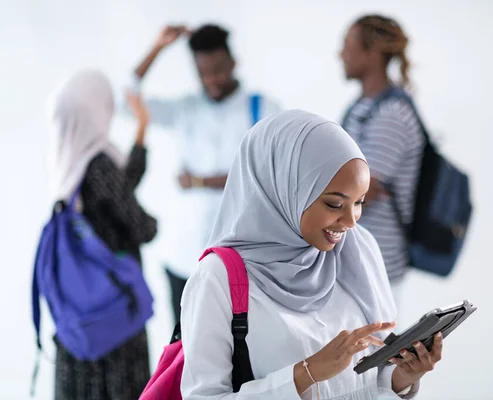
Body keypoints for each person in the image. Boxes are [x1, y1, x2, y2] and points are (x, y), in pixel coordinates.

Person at [180, 110, 443, 399]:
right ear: (284, 189)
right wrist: (307, 372)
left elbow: (372, 373)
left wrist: (403, 376)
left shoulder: (358, 251)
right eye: (334, 204)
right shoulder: (217, 278)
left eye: (359, 202)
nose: (351, 221)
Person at [124, 24, 281, 323]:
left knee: (240, 348)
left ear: (233, 62)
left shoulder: (263, 108)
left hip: (242, 259)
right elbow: (125, 101)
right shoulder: (185, 108)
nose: (213, 80)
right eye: (204, 73)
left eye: (219, 70)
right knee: (183, 352)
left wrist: (198, 181)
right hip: (183, 257)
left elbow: (271, 175)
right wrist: (158, 47)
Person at [46, 69, 157, 399]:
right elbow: (142, 227)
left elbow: (117, 191)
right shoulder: (100, 165)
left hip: (82, 314)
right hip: (114, 310)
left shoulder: (64, 160)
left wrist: (141, 131)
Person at [339, 15, 425, 293]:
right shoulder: (363, 106)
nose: (341, 53)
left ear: (372, 51)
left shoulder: (391, 113)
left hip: (376, 263)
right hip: (357, 259)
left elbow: (366, 187)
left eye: (348, 44)